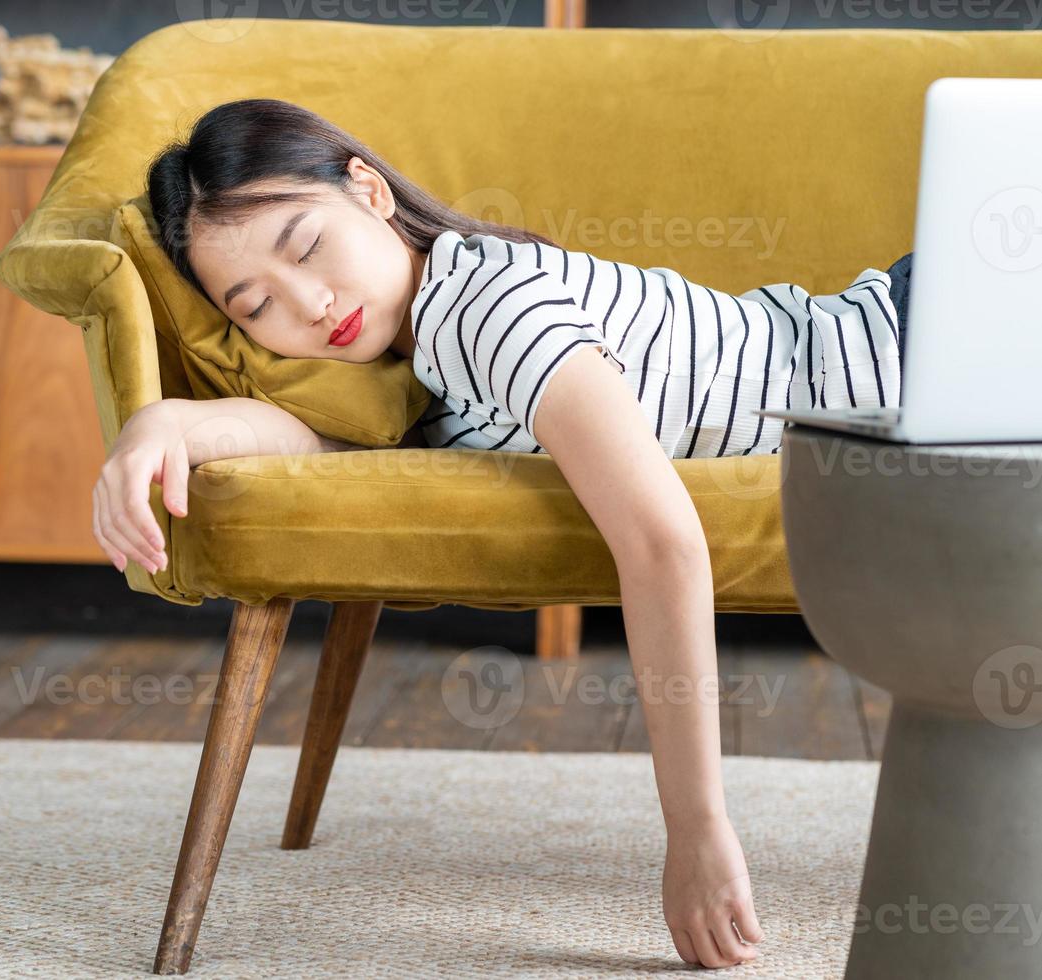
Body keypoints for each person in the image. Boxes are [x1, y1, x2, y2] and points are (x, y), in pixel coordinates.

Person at [91, 97, 911, 970]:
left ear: (368, 191)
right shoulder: (413, 362)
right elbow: (319, 442)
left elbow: (661, 542)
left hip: (915, 345)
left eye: (306, 246)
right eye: (256, 306)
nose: (310, 304)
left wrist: (697, 829)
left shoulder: (480, 308)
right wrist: (161, 423)